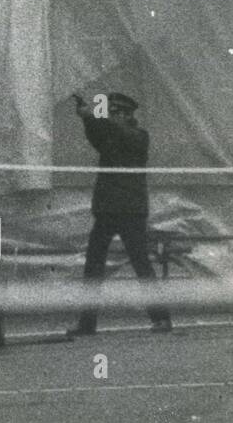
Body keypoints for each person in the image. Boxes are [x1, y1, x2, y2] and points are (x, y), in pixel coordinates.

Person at [67, 91, 172, 338]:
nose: (111, 117)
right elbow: (97, 136)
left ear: (126, 115)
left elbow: (115, 131)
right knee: (93, 267)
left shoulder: (138, 137)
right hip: (108, 210)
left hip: (130, 212)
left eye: (115, 113)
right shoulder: (113, 136)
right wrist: (86, 118)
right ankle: (87, 323)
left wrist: (96, 117)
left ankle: (161, 319)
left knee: (142, 265)